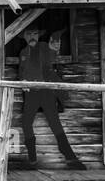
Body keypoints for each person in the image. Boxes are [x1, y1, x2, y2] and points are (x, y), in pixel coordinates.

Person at [18, 28, 85, 168]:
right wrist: (22, 80)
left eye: (35, 33)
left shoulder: (43, 47)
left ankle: (70, 157)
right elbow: (21, 71)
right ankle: (32, 159)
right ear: (24, 36)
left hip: (46, 91)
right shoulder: (23, 53)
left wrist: (56, 39)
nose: (32, 37)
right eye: (29, 34)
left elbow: (52, 47)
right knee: (25, 122)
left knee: (55, 123)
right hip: (31, 93)